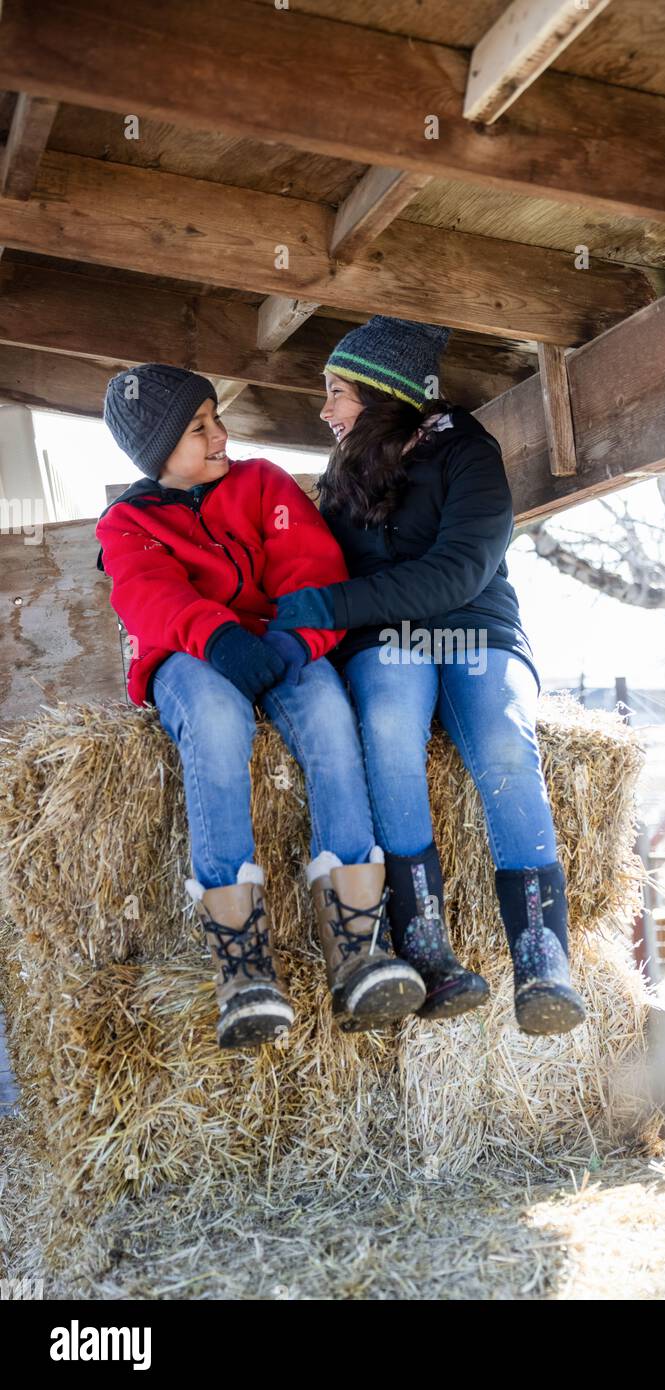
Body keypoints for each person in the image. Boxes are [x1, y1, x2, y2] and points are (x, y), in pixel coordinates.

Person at [268, 317, 587, 1035]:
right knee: (385, 731)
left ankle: (542, 959)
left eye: (338, 393)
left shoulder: (466, 450)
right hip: (385, 642)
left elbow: (458, 572)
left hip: (477, 631)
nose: (325, 410)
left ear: (384, 396)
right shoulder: (342, 477)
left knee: (506, 743)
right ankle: (425, 947)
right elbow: (321, 568)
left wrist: (330, 604)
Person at [95, 364, 425, 1050]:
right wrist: (219, 640)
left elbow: (311, 567)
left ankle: (357, 949)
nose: (221, 436)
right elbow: (149, 598)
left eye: (216, 418)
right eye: (198, 429)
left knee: (331, 720)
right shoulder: (128, 522)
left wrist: (296, 639)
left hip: (282, 644)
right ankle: (242, 970)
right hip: (193, 655)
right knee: (216, 728)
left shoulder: (263, 484)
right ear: (157, 451)